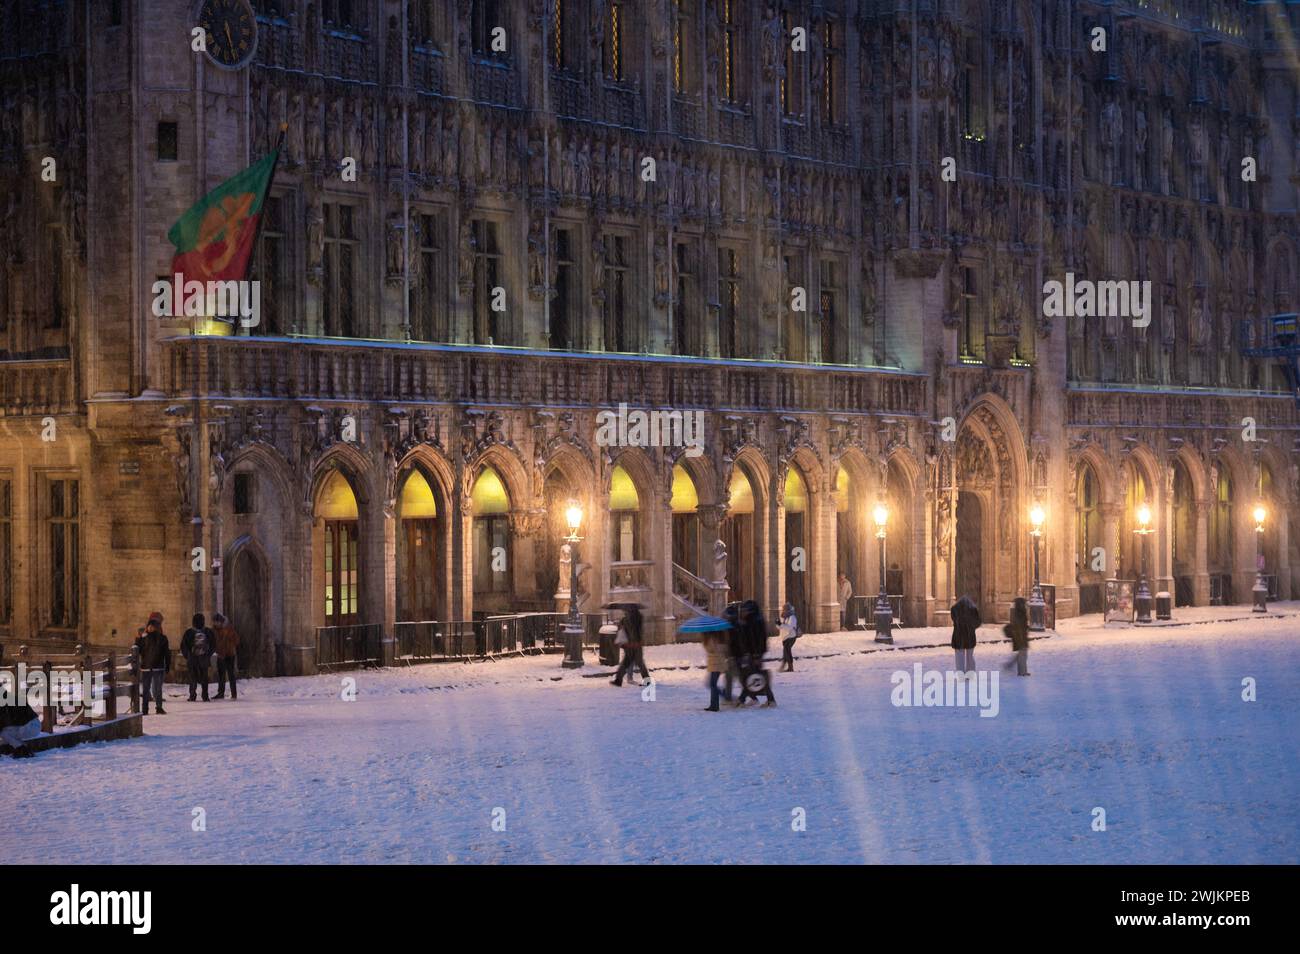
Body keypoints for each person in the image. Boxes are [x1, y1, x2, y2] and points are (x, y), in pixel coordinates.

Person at [736, 600, 776, 707]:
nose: (742, 612)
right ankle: (768, 700)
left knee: (753, 676)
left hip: (755, 654)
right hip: (752, 653)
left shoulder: (754, 621)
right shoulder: (750, 620)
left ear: (750, 611)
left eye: (744, 610)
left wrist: (756, 655)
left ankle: (743, 699)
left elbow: (757, 639)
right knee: (753, 676)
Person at [136, 614, 171, 715]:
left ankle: (158, 707)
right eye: (149, 626)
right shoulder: (143, 638)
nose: (150, 628)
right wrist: (138, 639)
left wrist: (167, 665)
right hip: (146, 667)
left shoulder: (162, 638)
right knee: (146, 689)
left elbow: (167, 653)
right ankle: (145, 709)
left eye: (152, 626)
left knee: (158, 689)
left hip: (157, 667)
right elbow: (138, 650)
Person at [180, 613, 216, 702]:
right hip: (203, 658)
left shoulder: (189, 632)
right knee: (204, 678)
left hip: (192, 658)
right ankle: (205, 696)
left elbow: (183, 645)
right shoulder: (208, 631)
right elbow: (213, 644)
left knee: (193, 678)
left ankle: (192, 695)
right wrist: (208, 654)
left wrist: (187, 655)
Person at [611, 605, 650, 687]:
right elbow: (638, 631)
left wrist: (621, 623)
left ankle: (618, 680)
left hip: (629, 645)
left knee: (626, 663)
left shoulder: (626, 620)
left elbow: (625, 630)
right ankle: (647, 681)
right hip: (637, 644)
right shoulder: (639, 618)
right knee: (639, 663)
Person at [701, 625, 732, 712]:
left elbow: (710, 649)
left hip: (715, 664)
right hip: (717, 664)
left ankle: (725, 697)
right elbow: (725, 650)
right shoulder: (720, 638)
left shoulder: (712, 639)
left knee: (712, 685)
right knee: (712, 685)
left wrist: (704, 640)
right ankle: (714, 705)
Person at [950, 594, 980, 673]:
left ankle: (960, 674)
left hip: (958, 635)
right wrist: (971, 627)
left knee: (959, 656)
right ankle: (970, 673)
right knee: (970, 656)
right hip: (970, 635)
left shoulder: (954, 609)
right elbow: (978, 622)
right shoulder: (973, 609)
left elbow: (953, 619)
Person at [213, 612, 240, 700]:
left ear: (220, 621)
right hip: (220, 654)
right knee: (221, 675)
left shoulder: (229, 629)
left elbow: (236, 641)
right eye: (214, 622)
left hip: (229, 654)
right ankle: (221, 693)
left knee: (231, 674)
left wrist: (229, 645)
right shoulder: (215, 630)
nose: (215, 623)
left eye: (216, 622)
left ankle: (234, 694)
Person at [1004, 597, 1030, 676]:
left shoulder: (1018, 612)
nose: (1025, 605)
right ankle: (1022, 672)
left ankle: (1019, 670)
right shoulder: (1020, 613)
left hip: (1020, 636)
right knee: (1023, 654)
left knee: (1022, 654)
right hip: (1020, 637)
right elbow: (1019, 626)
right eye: (1024, 603)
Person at [778, 602, 800, 672]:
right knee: (786, 652)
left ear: (788, 609)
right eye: (783, 609)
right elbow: (781, 627)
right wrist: (778, 624)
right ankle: (784, 667)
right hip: (785, 637)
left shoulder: (792, 617)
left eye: (784, 609)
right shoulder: (783, 616)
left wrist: (781, 625)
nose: (783, 610)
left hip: (791, 637)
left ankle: (790, 668)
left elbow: (789, 628)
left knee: (787, 651)